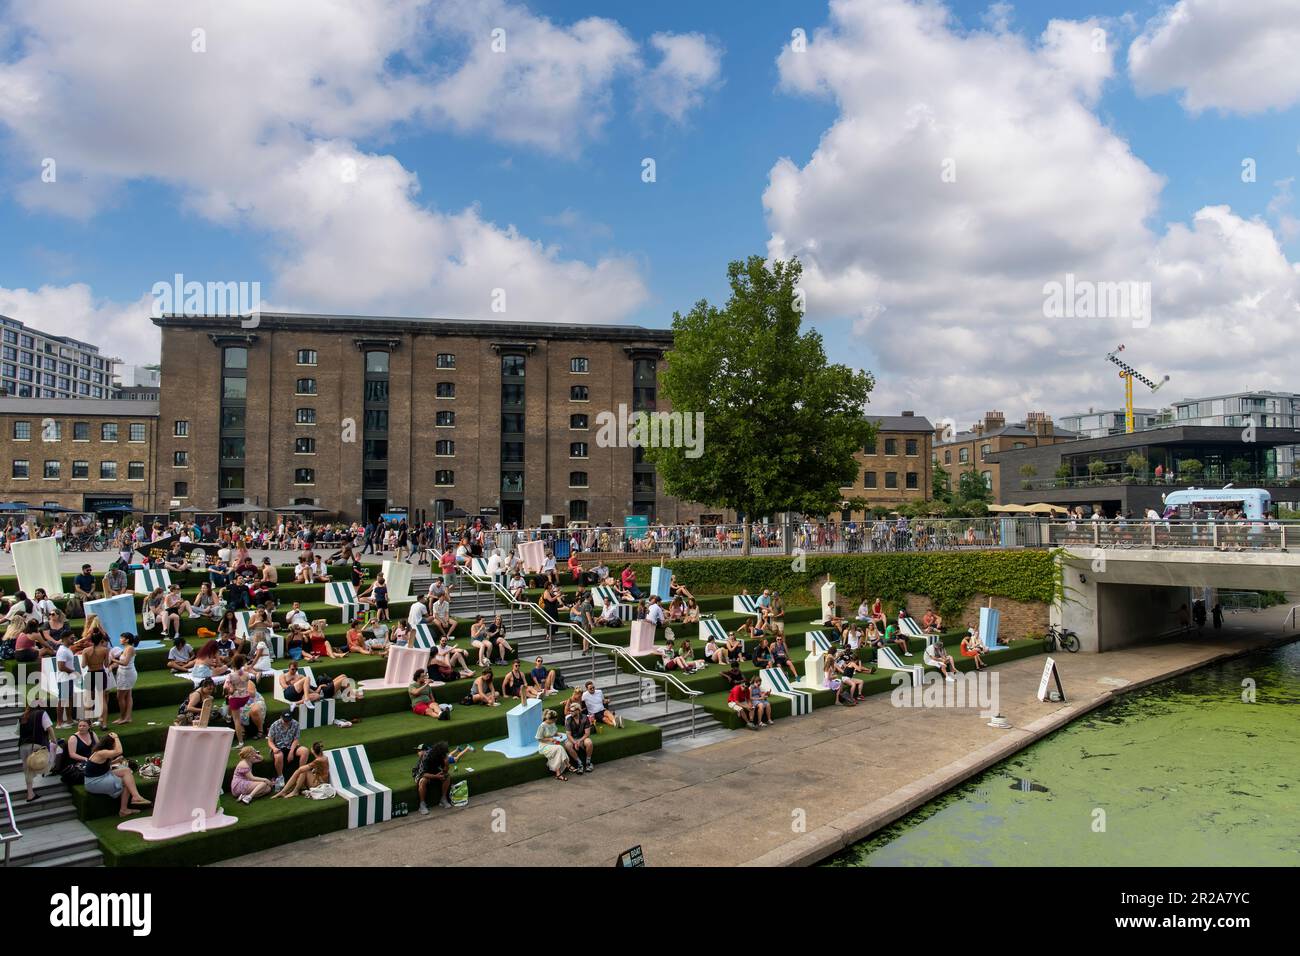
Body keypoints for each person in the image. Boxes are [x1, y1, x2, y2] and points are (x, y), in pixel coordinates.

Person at [84, 732, 151, 818]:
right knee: (126, 783)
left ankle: (135, 796)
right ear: (111, 744)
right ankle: (124, 809)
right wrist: (116, 738)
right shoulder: (101, 752)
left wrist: (115, 761)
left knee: (126, 771)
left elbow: (101, 765)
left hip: (102, 775)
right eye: (115, 743)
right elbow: (119, 751)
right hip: (94, 782)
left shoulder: (102, 752)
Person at [17, 698, 53, 801]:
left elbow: (18, 732)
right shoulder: (42, 713)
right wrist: (54, 741)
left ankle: (30, 794)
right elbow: (49, 728)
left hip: (23, 746)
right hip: (37, 744)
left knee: (27, 771)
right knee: (52, 754)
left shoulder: (23, 716)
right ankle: (46, 770)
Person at [267, 710, 308, 788]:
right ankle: (280, 776)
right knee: (279, 756)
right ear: (281, 717)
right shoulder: (274, 725)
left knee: (305, 751)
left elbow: (296, 739)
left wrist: (291, 752)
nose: (287, 722)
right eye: (285, 720)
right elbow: (270, 741)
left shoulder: (295, 724)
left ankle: (301, 772)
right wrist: (274, 748)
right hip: (278, 747)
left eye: (289, 720)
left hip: (291, 746)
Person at [537, 708, 580, 780]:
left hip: (552, 744)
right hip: (544, 746)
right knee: (559, 748)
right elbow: (539, 738)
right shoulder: (542, 726)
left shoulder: (552, 723)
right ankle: (568, 765)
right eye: (554, 719)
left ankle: (558, 774)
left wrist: (559, 735)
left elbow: (554, 733)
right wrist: (550, 739)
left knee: (558, 751)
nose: (555, 721)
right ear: (550, 719)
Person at [415, 742, 453, 813]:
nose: (445, 755)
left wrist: (446, 764)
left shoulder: (442, 755)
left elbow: (445, 771)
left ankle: (443, 799)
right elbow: (422, 773)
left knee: (447, 776)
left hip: (434, 771)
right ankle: (422, 804)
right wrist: (436, 776)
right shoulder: (426, 756)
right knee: (423, 781)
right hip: (421, 773)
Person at [110, 634, 138, 724]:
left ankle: (123, 717)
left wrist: (113, 659)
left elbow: (125, 663)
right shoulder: (125, 648)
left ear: (127, 640)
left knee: (120, 696)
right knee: (128, 695)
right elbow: (122, 662)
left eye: (122, 638)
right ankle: (127, 717)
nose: (120, 639)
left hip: (127, 674)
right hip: (123, 673)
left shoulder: (130, 648)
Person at [565, 702, 595, 773]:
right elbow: (568, 735)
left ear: (578, 710)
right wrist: (575, 742)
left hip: (583, 737)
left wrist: (579, 741)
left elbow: (587, 733)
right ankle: (580, 764)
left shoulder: (585, 718)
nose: (570, 712)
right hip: (573, 738)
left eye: (572, 711)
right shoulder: (568, 719)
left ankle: (588, 763)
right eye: (570, 710)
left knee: (589, 743)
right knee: (568, 745)